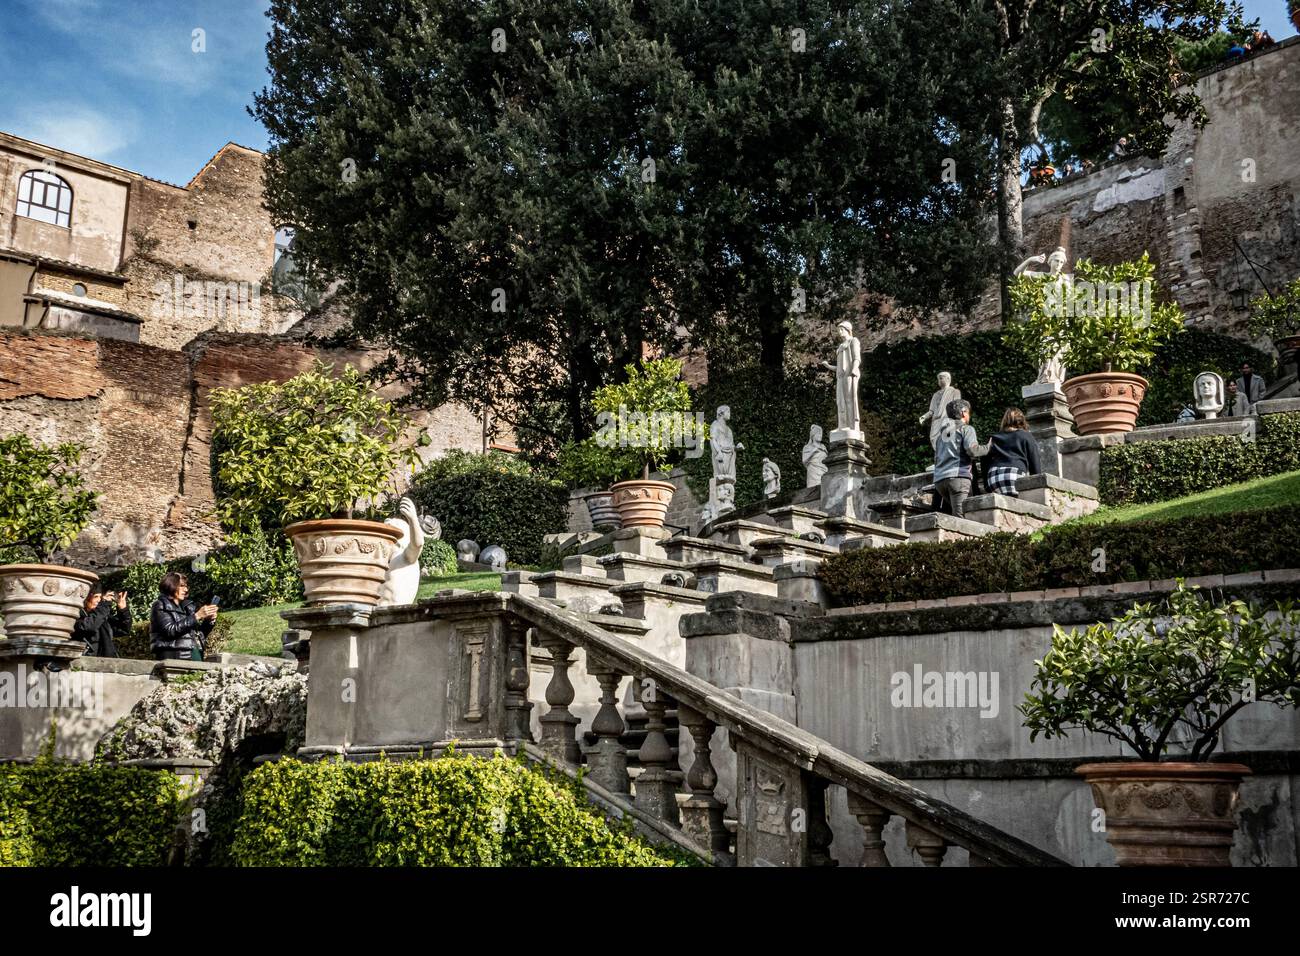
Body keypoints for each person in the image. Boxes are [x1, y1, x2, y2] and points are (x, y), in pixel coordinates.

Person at [933, 399, 989, 519]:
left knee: (955, 515)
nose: (969, 416)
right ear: (963, 413)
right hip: (958, 478)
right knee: (962, 517)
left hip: (939, 480)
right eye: (968, 413)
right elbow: (972, 450)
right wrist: (989, 447)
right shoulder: (966, 429)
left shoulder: (940, 437)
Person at [149, 572, 216, 662]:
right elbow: (170, 630)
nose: (186, 590)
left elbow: (198, 635)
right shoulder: (160, 605)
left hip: (196, 655)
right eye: (182, 586)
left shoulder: (187, 608)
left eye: (186, 586)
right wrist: (197, 616)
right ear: (171, 585)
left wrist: (208, 621)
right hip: (176, 658)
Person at [984, 409, 1042, 497]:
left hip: (993, 478)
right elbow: (1034, 462)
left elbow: (985, 461)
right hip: (1014, 476)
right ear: (1022, 421)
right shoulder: (1026, 436)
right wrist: (1037, 484)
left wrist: (987, 485)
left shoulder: (993, 438)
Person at [72, 587, 129, 658]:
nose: (99, 600)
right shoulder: (76, 616)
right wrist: (104, 605)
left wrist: (123, 611)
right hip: (85, 662)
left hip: (106, 663)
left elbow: (123, 630)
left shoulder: (102, 618)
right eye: (96, 597)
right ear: (86, 599)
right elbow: (90, 626)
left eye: (100, 597)